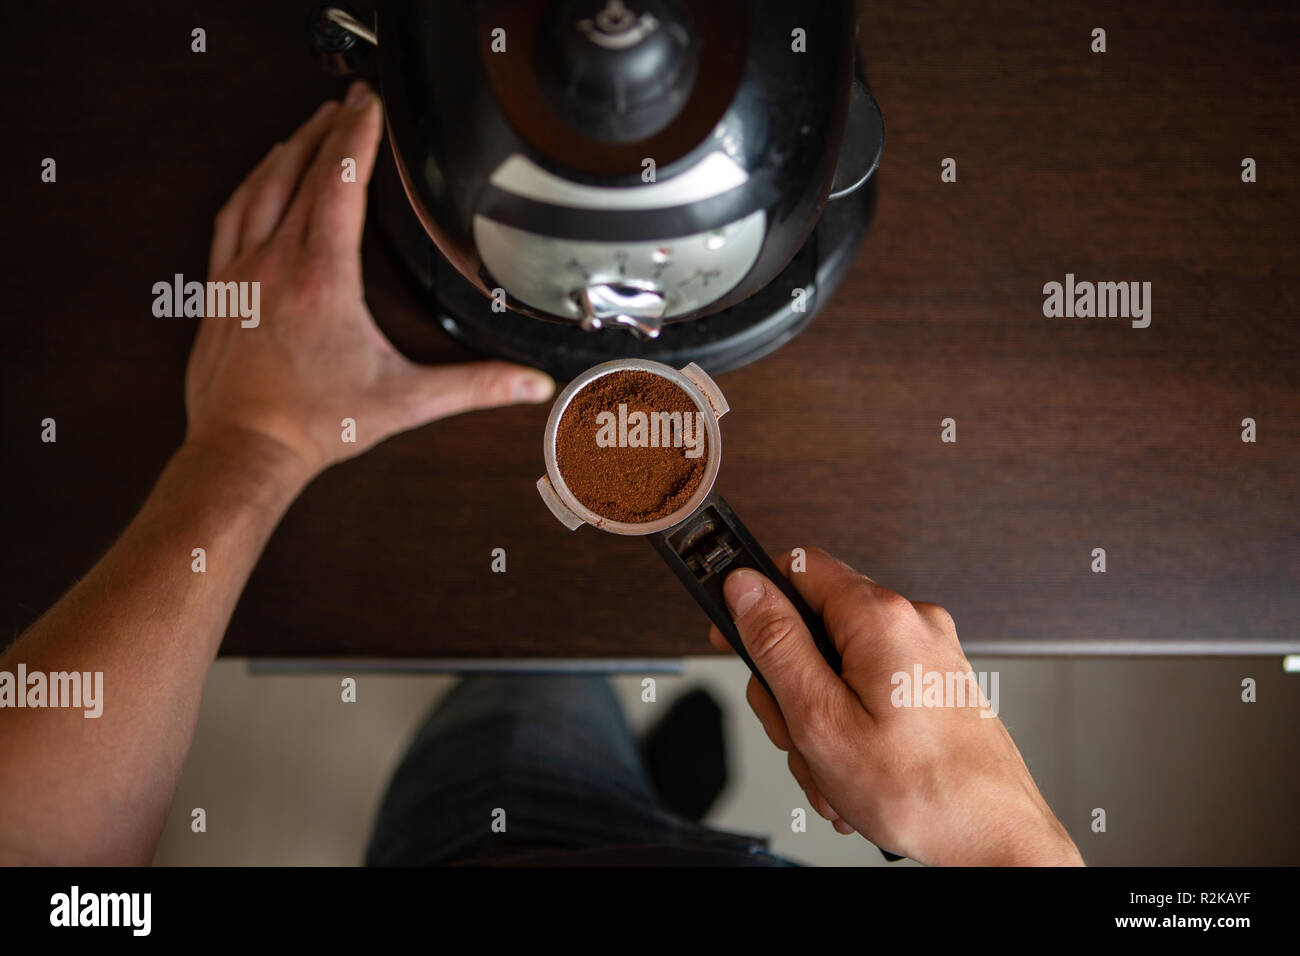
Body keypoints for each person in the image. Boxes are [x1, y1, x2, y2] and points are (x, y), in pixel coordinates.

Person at [0, 83, 1082, 867]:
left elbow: (35, 843)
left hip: (476, 829)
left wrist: (250, 445)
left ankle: (619, 766)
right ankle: (663, 796)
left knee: (530, 697)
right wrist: (997, 835)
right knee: (576, 708)